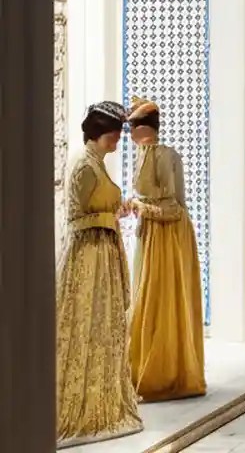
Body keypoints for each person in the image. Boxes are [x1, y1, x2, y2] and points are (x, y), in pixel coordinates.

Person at [55, 101, 143, 446]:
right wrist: (110, 217)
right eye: (115, 134)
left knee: (102, 327)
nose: (117, 141)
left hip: (101, 252)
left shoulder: (94, 163)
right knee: (85, 325)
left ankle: (102, 394)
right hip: (88, 256)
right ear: (100, 132)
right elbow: (77, 218)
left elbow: (94, 208)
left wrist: (114, 213)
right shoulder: (85, 166)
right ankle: (81, 404)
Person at [125, 96, 207, 402]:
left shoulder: (163, 156)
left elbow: (171, 208)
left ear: (145, 129)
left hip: (169, 236)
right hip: (153, 234)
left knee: (164, 300)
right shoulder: (144, 154)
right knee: (149, 298)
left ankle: (167, 372)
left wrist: (137, 206)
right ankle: (150, 368)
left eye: (132, 127)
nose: (129, 133)